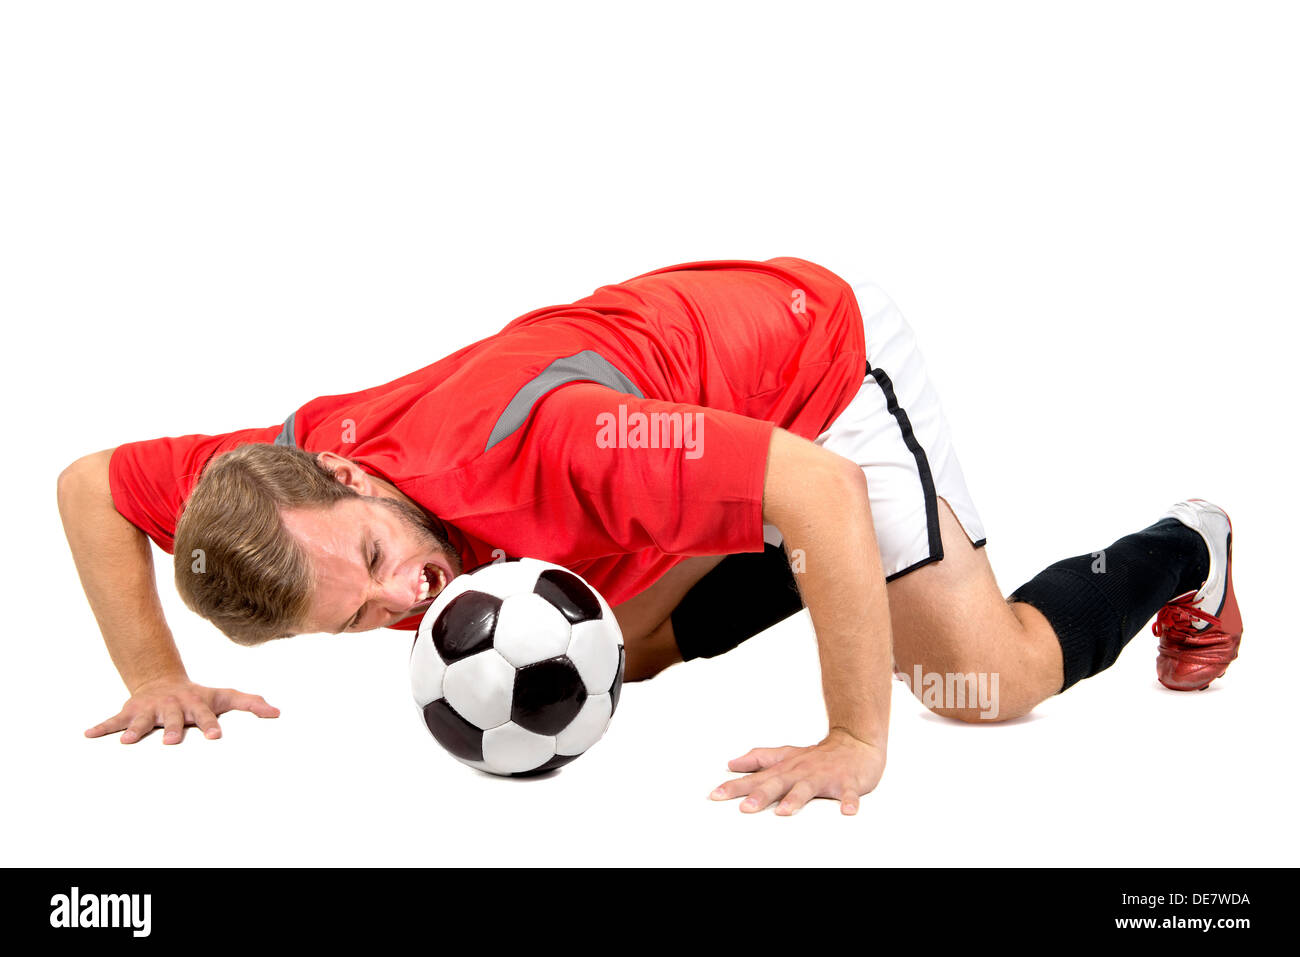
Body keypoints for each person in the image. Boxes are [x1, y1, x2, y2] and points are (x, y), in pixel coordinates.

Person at [57, 257, 1243, 816]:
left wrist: (847, 739)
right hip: (673, 423)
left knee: (983, 682)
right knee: (605, 647)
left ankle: (1187, 544)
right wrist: (156, 675)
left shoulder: (553, 448)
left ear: (347, 470)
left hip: (808, 374)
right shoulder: (272, 485)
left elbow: (822, 484)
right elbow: (92, 485)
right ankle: (774, 554)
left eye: (374, 562)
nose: (406, 598)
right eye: (359, 616)